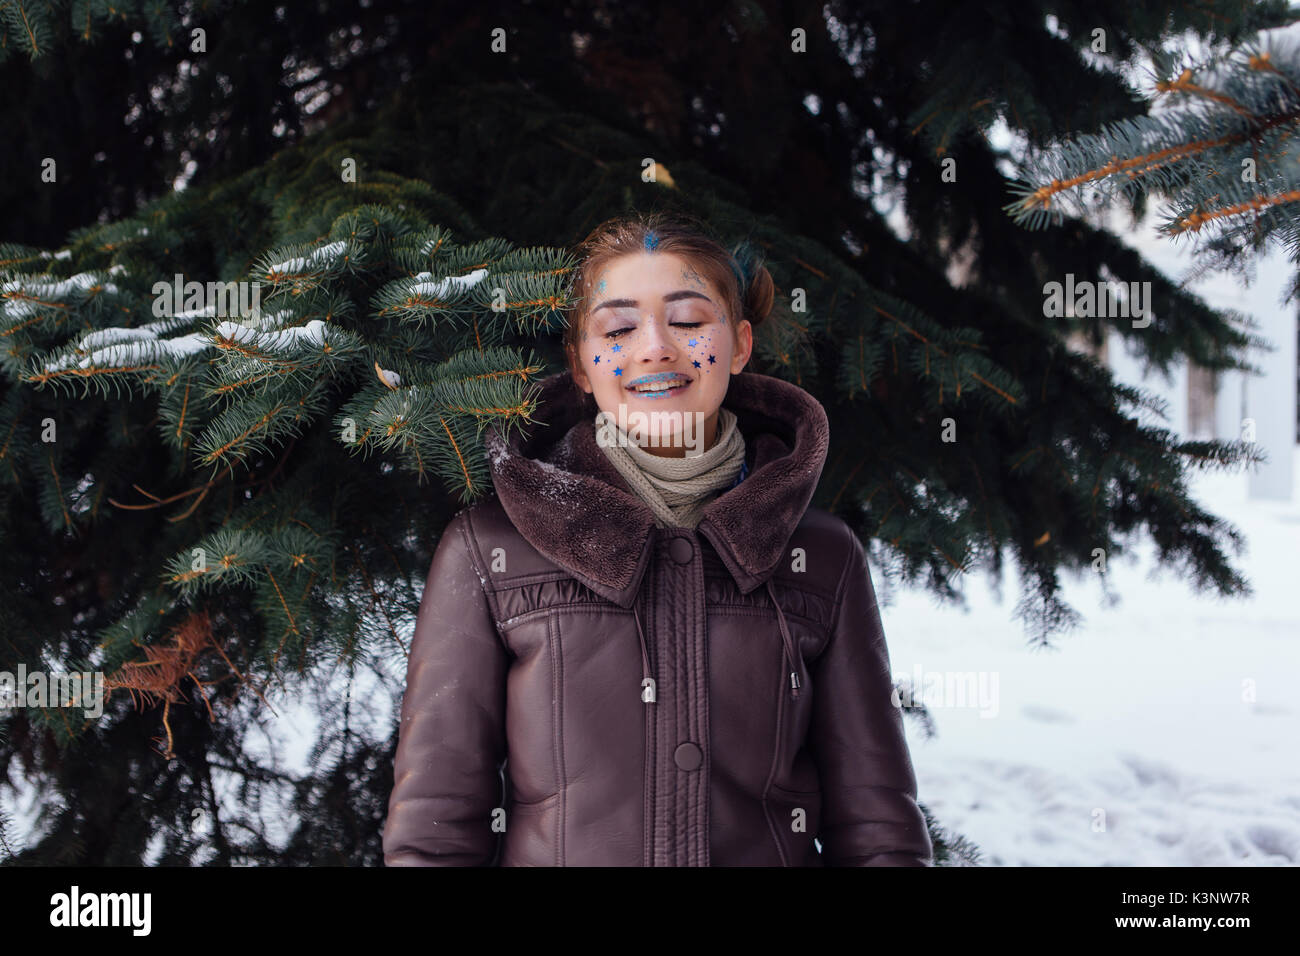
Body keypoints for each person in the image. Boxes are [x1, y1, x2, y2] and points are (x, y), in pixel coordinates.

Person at [383, 211, 933, 866]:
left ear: (740, 344)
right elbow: (435, 829)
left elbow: (877, 826)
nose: (654, 348)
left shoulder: (823, 554)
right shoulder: (490, 548)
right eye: (618, 328)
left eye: (689, 321)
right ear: (581, 364)